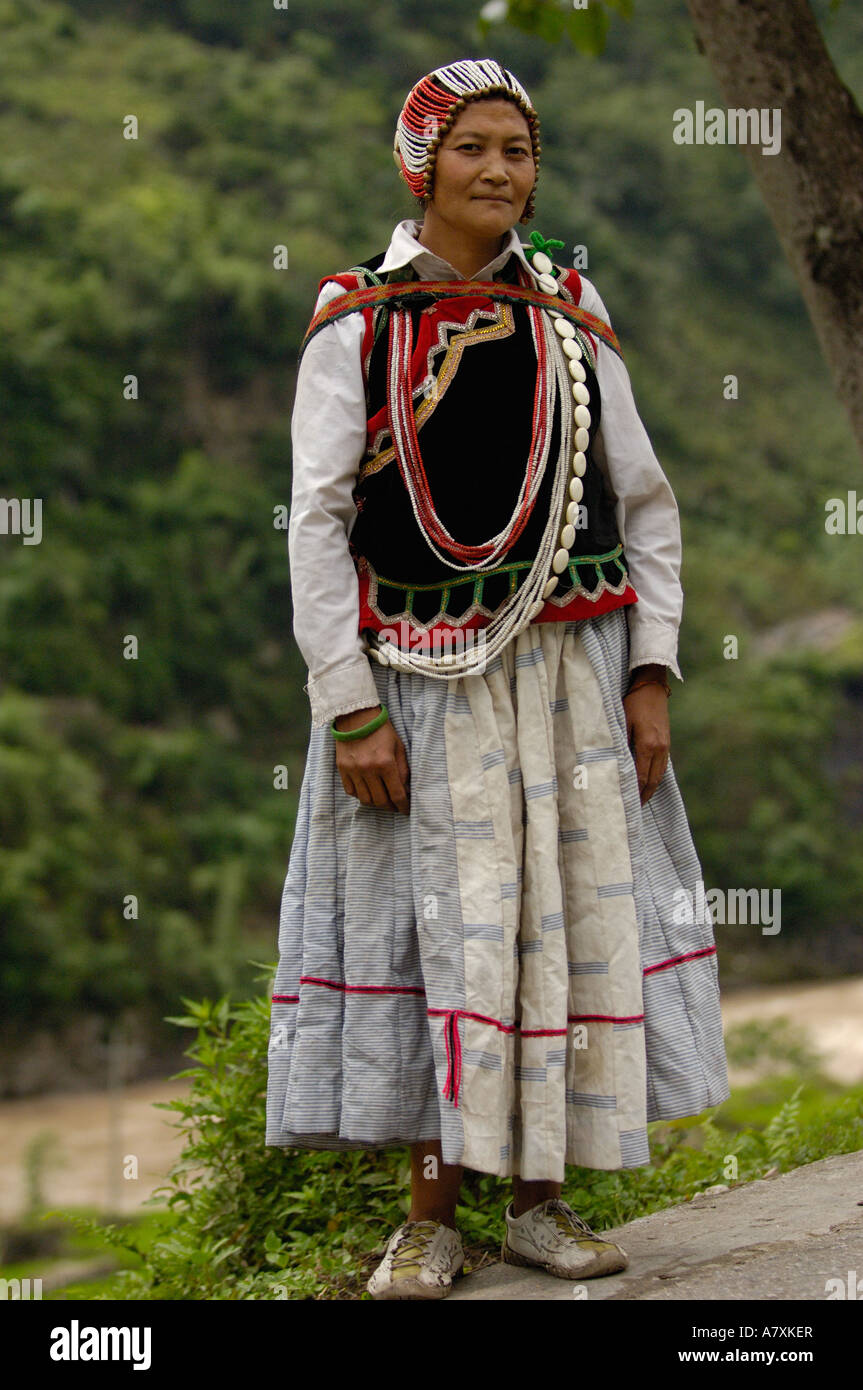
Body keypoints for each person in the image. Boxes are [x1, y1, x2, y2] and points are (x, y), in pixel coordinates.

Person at [266, 57, 729, 1301]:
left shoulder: (569, 311)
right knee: (435, 942)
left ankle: (538, 1205)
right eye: (471, 147)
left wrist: (649, 673)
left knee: (553, 932)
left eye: (517, 151)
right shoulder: (354, 320)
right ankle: (427, 1222)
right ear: (420, 163)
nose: (497, 172)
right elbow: (314, 523)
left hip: (568, 677)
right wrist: (346, 702)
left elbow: (643, 503)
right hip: (414, 686)